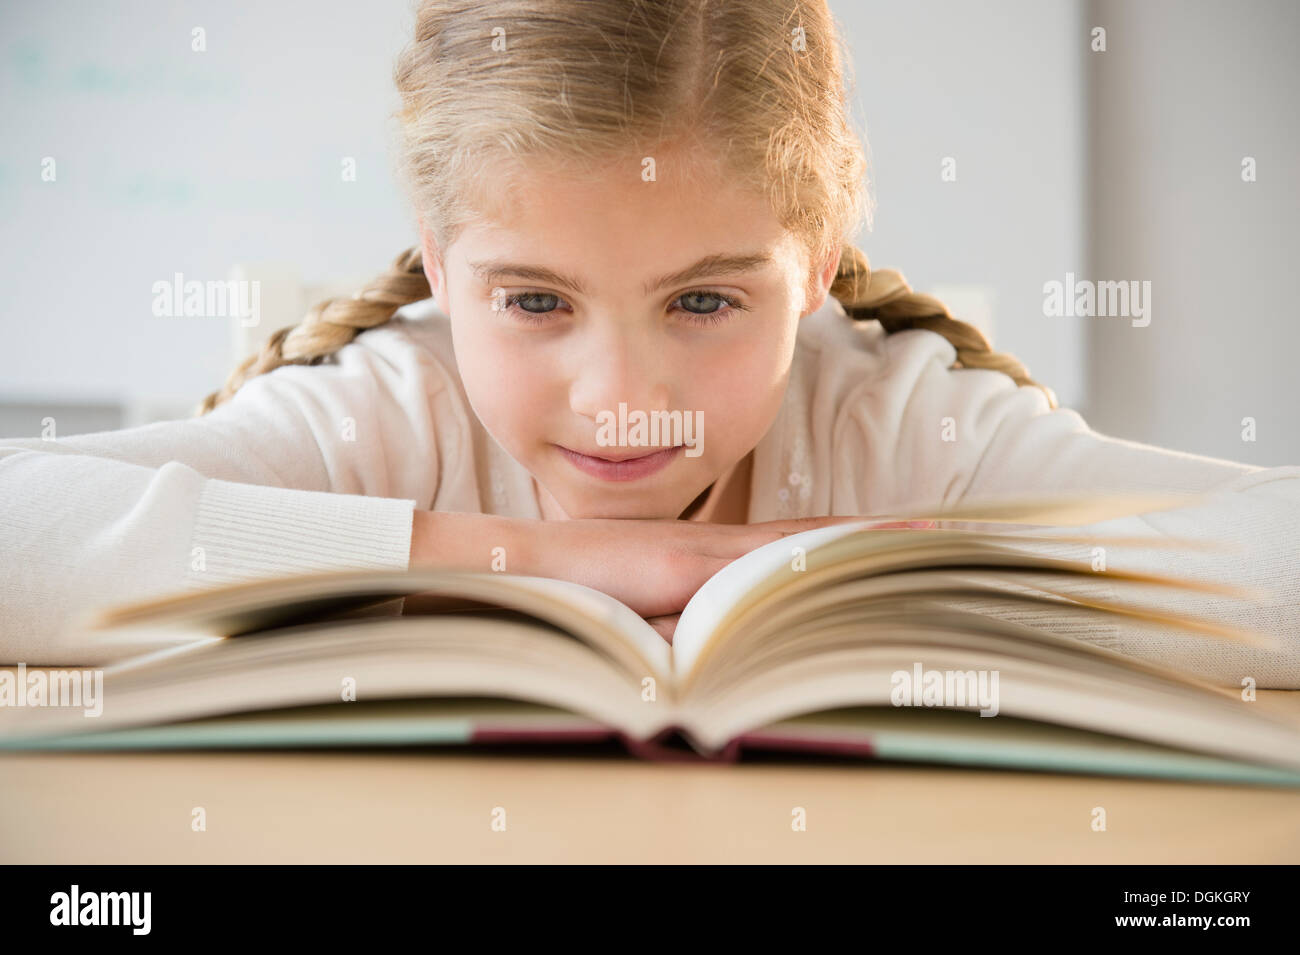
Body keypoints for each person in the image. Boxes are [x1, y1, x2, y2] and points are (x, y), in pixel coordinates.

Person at [2, 0, 1296, 688]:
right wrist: (574, 556)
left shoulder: (897, 423)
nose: (621, 402)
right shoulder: (387, 414)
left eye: (703, 302)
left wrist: (884, 568)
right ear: (442, 267)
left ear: (819, 266)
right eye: (534, 302)